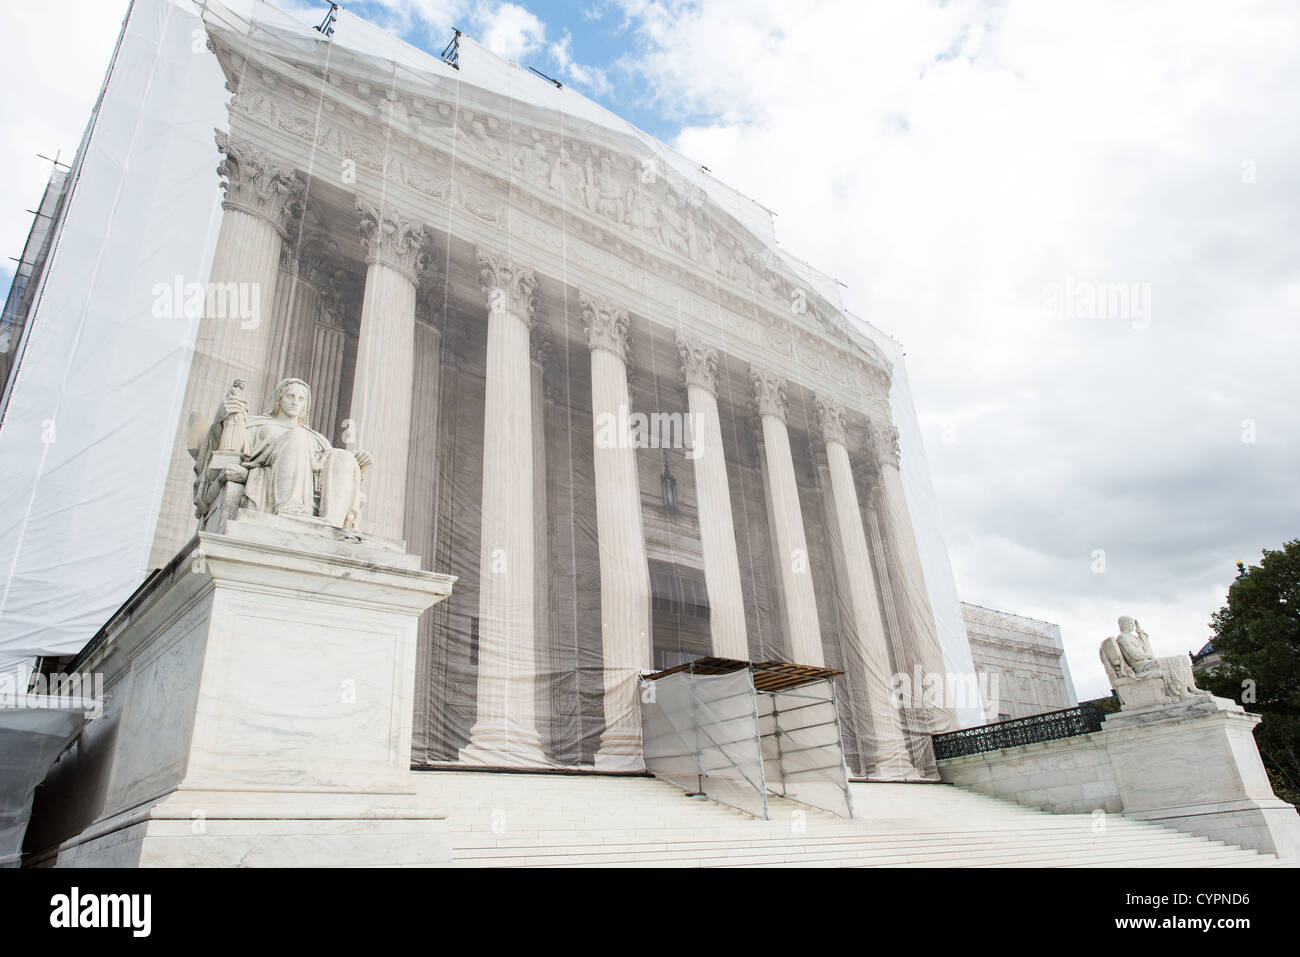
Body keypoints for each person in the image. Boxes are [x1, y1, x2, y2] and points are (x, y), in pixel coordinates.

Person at [212, 378, 371, 529]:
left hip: (311, 470)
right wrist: (222, 419)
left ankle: (332, 524)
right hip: (272, 466)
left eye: (301, 399)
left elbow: (326, 466)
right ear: (279, 399)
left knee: (344, 456)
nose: (296, 402)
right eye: (291, 396)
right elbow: (231, 448)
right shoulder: (257, 425)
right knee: (298, 435)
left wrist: (357, 466)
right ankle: (290, 508)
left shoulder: (317, 438)